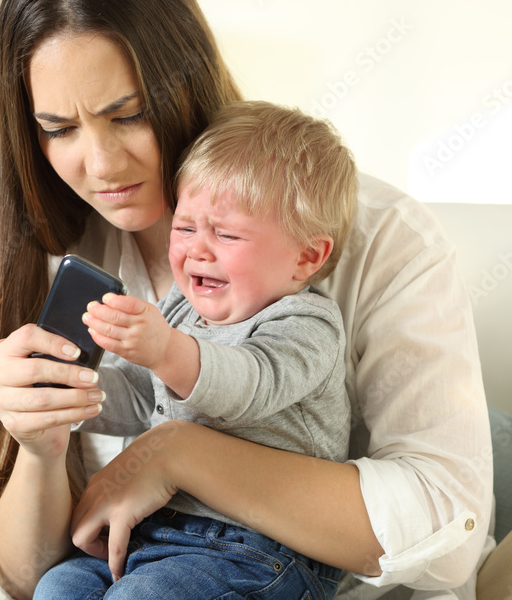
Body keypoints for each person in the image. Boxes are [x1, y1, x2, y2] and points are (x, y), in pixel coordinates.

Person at [0, 0, 492, 599]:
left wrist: (181, 455)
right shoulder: (63, 251)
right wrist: (41, 442)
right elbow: (26, 579)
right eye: (59, 128)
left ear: (185, 77)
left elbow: (450, 534)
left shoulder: (373, 236)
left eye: (130, 114)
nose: (101, 164)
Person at [33, 100, 358, 598]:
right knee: (61, 586)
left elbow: (249, 385)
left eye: (226, 233)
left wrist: (165, 349)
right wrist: (73, 389)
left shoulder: (307, 323)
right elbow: (148, 397)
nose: (196, 249)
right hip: (158, 536)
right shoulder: (184, 311)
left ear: (306, 257)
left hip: (262, 551)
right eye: (184, 228)